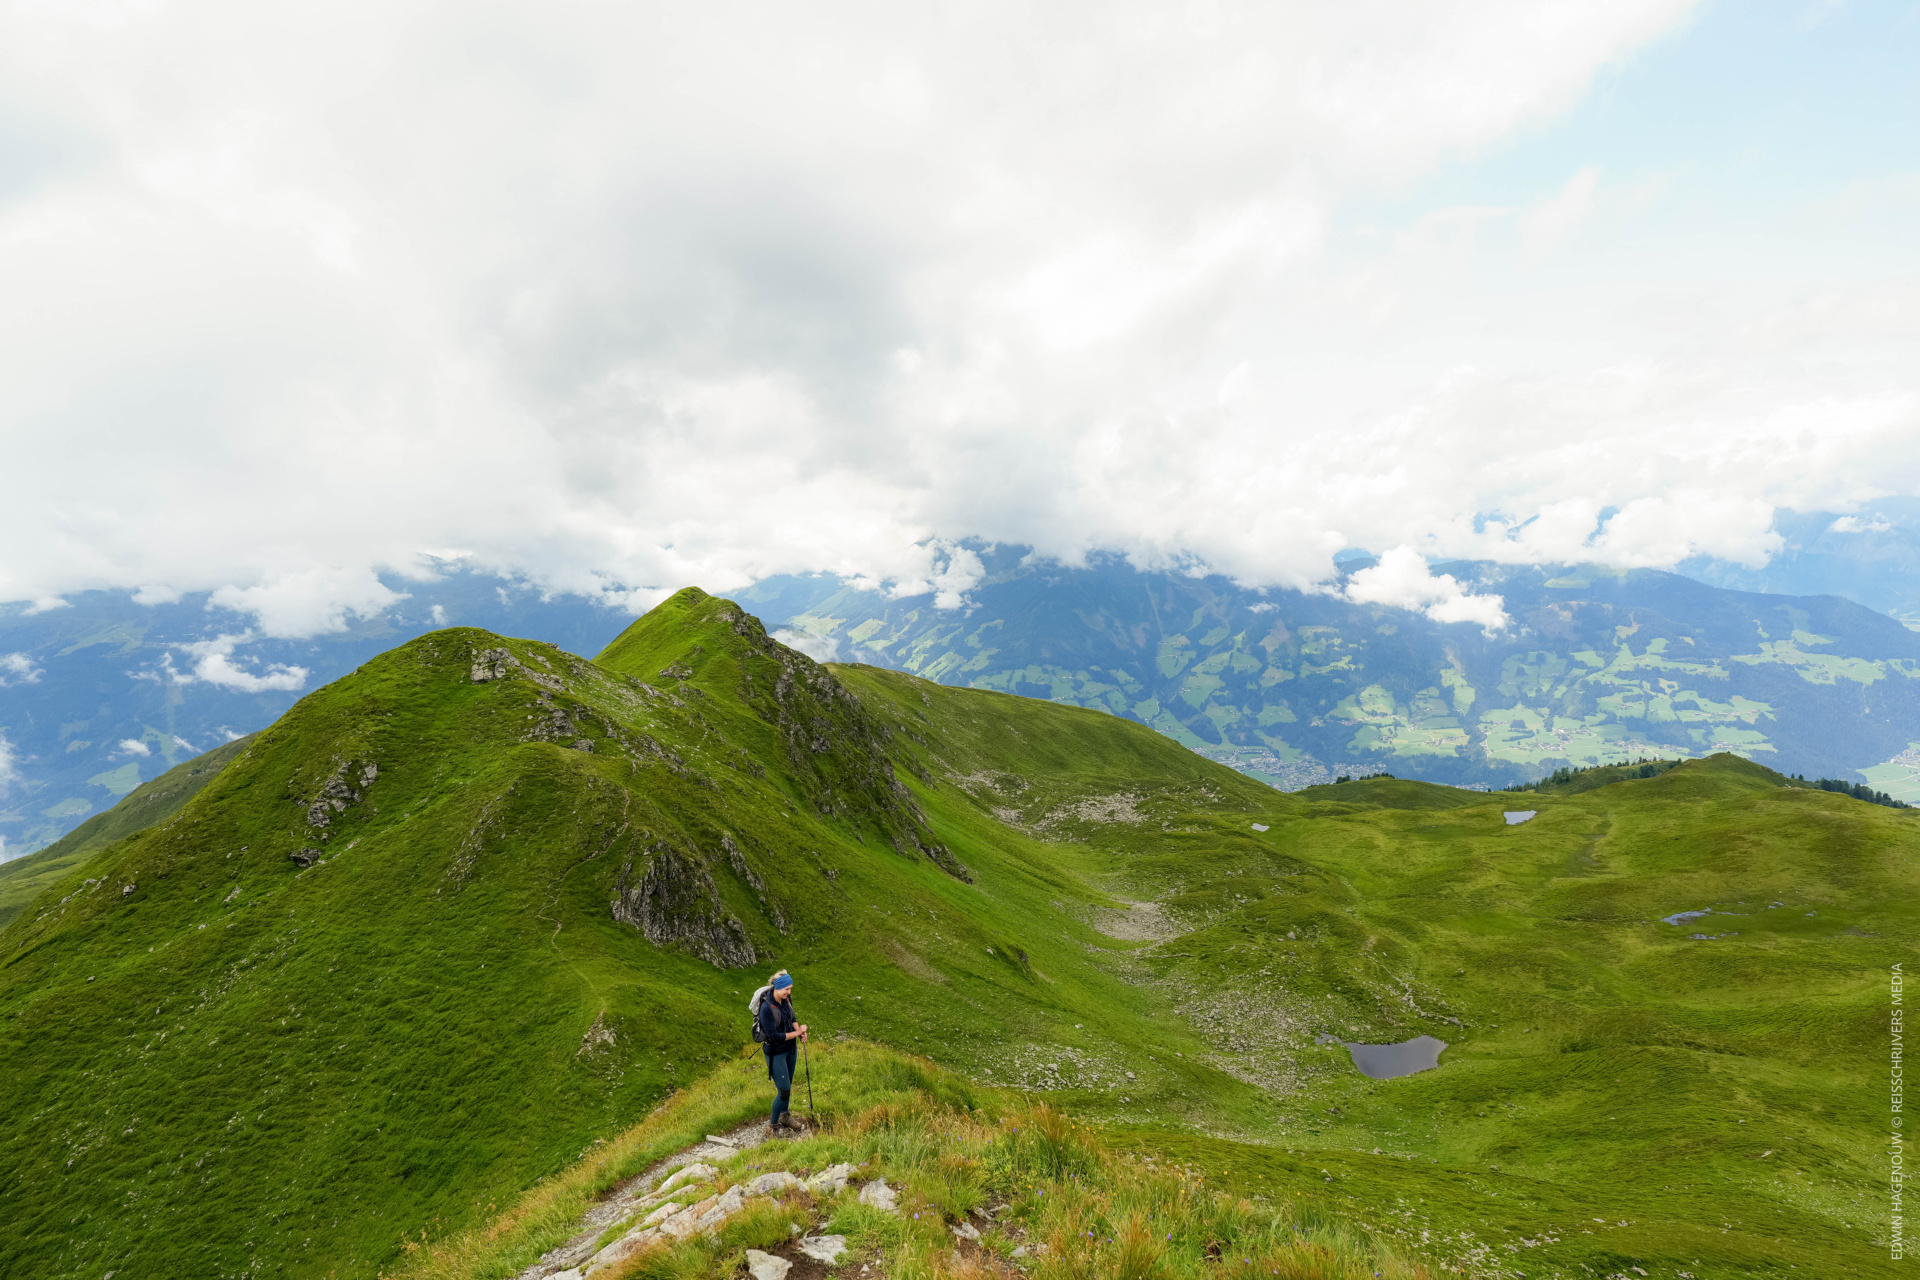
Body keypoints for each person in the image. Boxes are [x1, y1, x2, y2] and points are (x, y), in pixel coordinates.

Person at [757, 969, 808, 1134]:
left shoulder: (786, 999)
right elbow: (773, 1036)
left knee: (788, 1085)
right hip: (775, 1052)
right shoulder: (766, 1008)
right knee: (784, 1089)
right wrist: (797, 1033)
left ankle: (785, 1116)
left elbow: (792, 1017)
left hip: (791, 1049)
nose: (789, 992)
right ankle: (773, 1125)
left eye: (791, 988)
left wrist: (799, 1031)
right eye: (787, 989)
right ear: (777, 987)